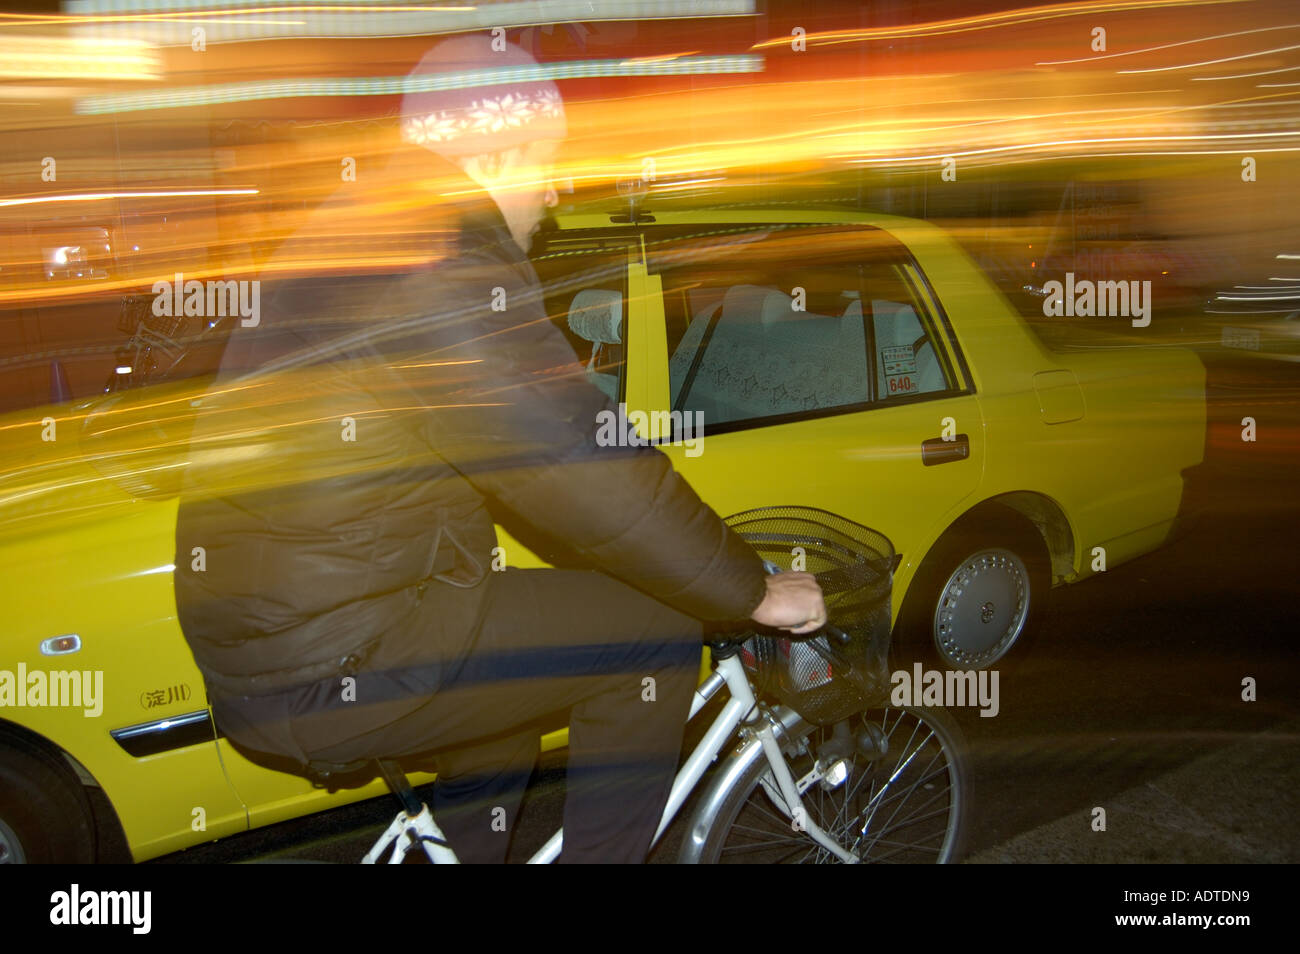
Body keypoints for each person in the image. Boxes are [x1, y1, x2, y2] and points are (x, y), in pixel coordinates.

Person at [172, 34, 826, 863]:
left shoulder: (364, 227)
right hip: (330, 653)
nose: (554, 189)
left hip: (281, 641)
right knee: (655, 636)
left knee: (507, 681)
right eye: (548, 160)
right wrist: (749, 589)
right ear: (498, 145)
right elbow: (574, 461)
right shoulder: (436, 261)